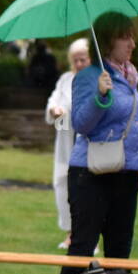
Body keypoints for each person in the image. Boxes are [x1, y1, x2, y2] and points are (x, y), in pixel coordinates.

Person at [53, 12, 138, 274]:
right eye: (126, 37)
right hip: (90, 174)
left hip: (125, 175)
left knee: (120, 253)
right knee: (82, 248)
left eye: (133, 36)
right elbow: (81, 124)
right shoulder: (89, 76)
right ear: (109, 41)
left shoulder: (130, 77)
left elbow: (135, 126)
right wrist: (99, 94)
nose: (133, 43)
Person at [44, 38, 92, 250]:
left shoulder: (96, 80)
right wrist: (55, 110)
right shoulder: (65, 79)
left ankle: (88, 236)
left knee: (86, 188)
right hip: (64, 139)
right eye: (76, 60)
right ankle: (70, 232)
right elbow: (54, 101)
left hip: (87, 142)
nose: (79, 64)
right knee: (62, 184)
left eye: (83, 59)